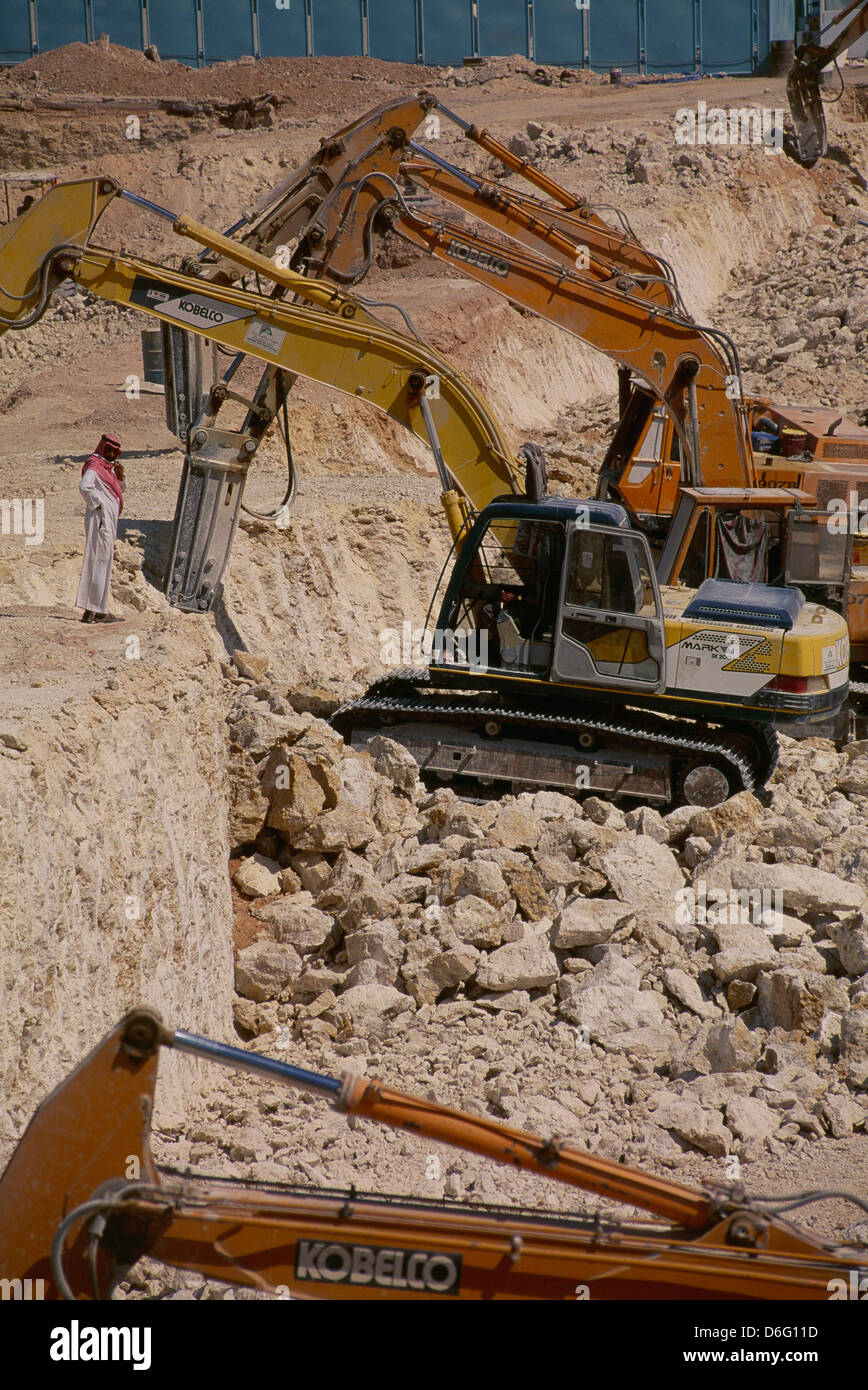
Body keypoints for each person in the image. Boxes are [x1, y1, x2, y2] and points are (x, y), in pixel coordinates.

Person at [76, 433, 125, 623]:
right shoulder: (95, 465)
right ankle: (94, 610)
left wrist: (120, 478)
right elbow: (85, 487)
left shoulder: (108, 468)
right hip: (100, 518)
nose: (112, 453)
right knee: (99, 560)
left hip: (108, 520)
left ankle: (96, 610)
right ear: (102, 447)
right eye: (109, 449)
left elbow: (116, 490)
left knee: (103, 560)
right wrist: (99, 505)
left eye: (115, 451)